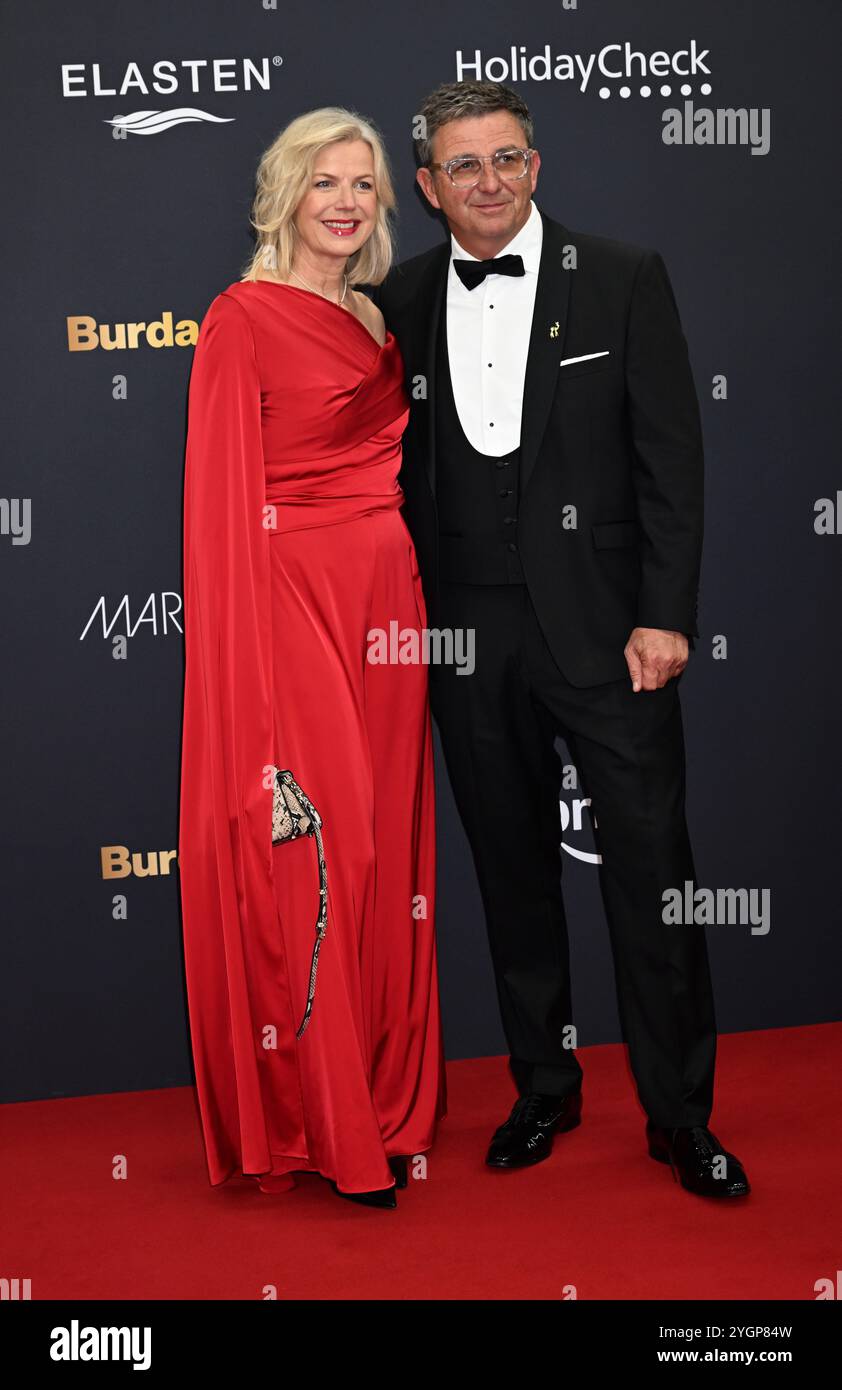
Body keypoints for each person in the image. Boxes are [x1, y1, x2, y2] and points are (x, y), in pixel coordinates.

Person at [368, 79, 750, 1199]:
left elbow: (668, 463)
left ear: (536, 165)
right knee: (510, 874)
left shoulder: (623, 278)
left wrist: (666, 610)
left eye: (506, 159)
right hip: (464, 639)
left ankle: (679, 1115)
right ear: (430, 187)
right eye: (463, 166)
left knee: (650, 877)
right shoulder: (393, 297)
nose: (488, 182)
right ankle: (544, 1082)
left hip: (609, 636)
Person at [178, 108, 446, 1210]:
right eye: (322, 181)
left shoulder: (378, 319)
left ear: (387, 199)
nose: (343, 201)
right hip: (293, 603)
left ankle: (385, 1098)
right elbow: (218, 517)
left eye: (363, 182)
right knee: (319, 842)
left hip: (388, 601)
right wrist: (253, 708)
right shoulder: (239, 320)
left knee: (381, 851)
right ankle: (329, 1126)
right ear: (283, 193)